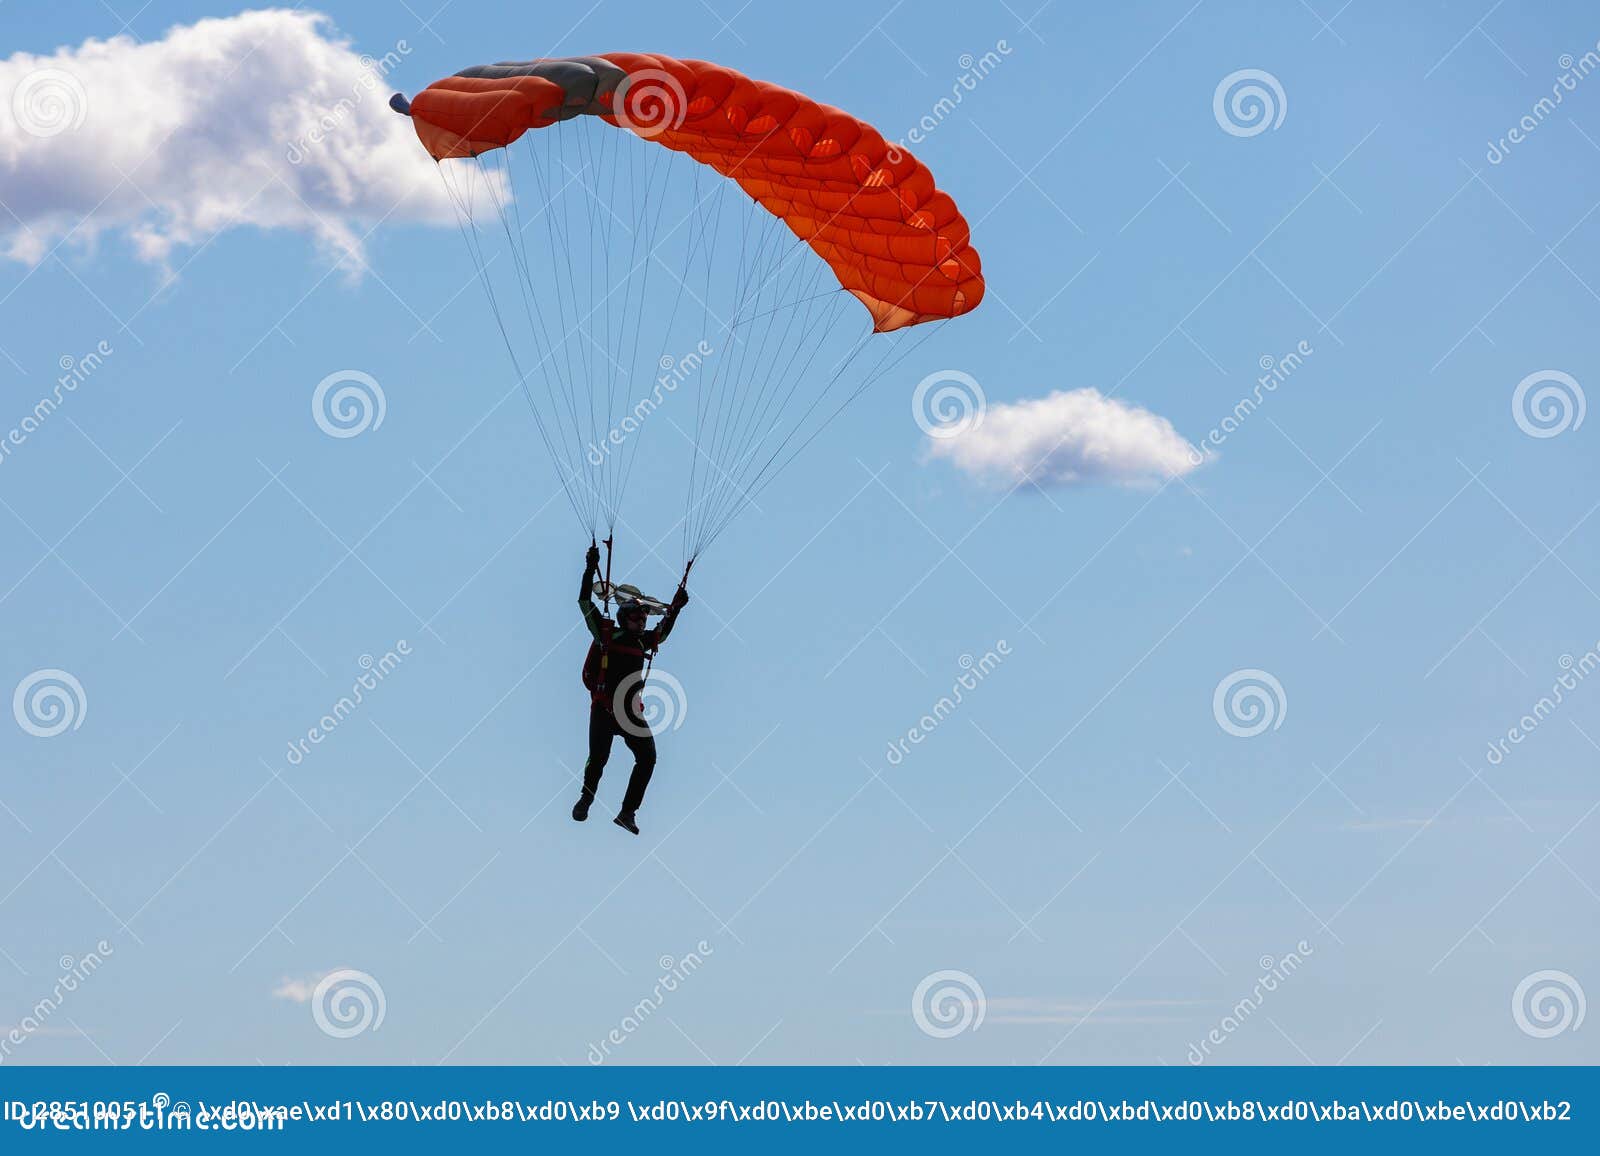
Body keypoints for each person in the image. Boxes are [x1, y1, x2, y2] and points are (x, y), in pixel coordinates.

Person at [573, 543, 689, 835]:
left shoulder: (644, 641)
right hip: (603, 707)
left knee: (648, 758)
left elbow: (665, 630)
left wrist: (676, 607)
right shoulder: (606, 632)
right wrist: (589, 569)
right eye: (638, 618)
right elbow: (585, 603)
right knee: (598, 759)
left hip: (628, 712)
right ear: (626, 618)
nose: (643, 622)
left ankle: (627, 812)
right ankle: (587, 798)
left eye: (645, 619)